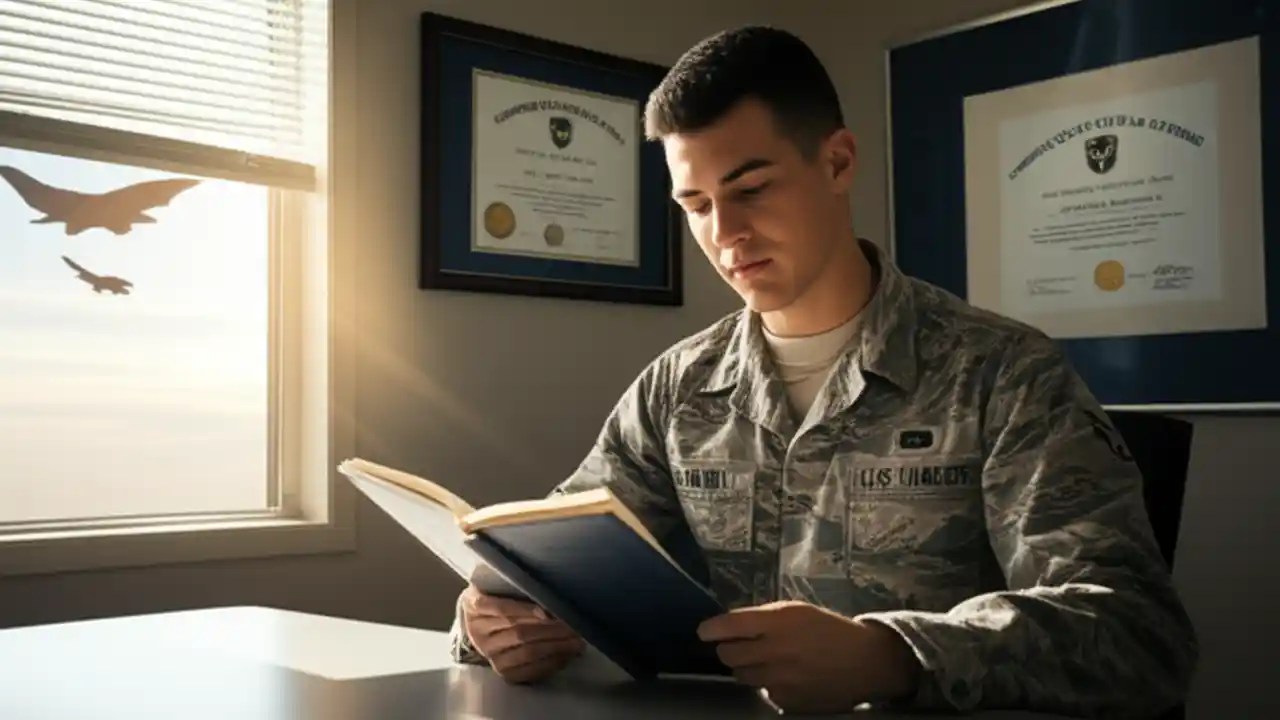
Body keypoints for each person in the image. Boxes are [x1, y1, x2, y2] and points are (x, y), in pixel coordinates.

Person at [449, 25, 1198, 718]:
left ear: (837, 161)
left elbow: (1137, 633)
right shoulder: (678, 389)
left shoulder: (1002, 374)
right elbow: (549, 555)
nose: (725, 233)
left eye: (750, 189)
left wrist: (895, 654)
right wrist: (493, 620)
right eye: (696, 204)